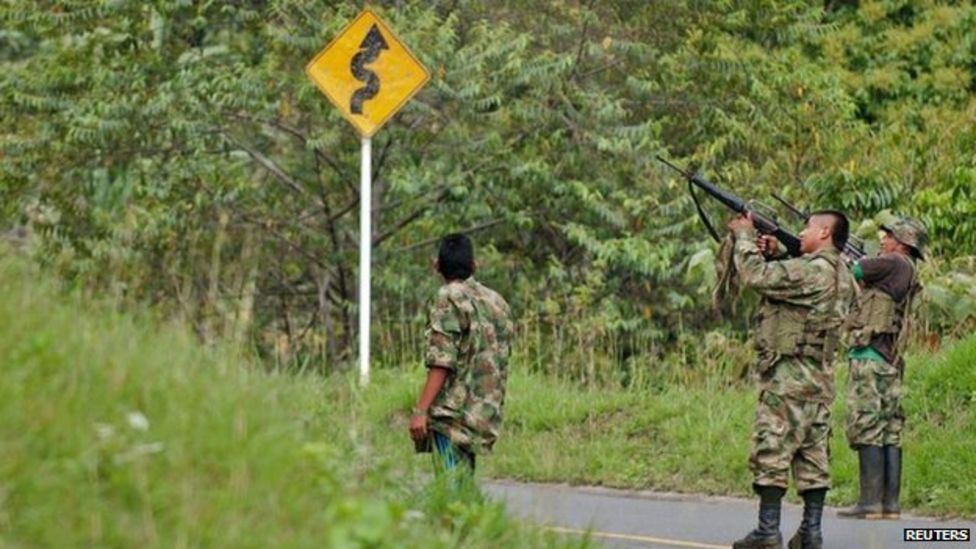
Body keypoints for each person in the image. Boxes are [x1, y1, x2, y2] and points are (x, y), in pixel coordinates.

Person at [727, 211, 857, 549]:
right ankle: (810, 532)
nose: (801, 232)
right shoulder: (844, 275)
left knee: (772, 450)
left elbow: (756, 276)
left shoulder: (811, 270)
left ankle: (767, 530)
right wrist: (781, 253)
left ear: (825, 232)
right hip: (821, 381)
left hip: (788, 379)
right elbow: (800, 285)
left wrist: (744, 235)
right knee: (814, 457)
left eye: (808, 227)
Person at [839, 215, 926, 520]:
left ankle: (869, 502)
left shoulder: (893, 262)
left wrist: (839, 252)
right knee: (890, 430)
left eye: (888, 236)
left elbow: (855, 270)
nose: (883, 240)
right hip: (890, 360)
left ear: (902, 242)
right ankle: (889, 505)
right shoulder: (909, 268)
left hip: (871, 355)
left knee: (867, 424)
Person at [408, 233, 513, 479]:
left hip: (451, 414)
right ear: (474, 266)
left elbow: (442, 361)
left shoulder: (447, 297)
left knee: (450, 492)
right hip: (484, 411)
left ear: (437, 266)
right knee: (464, 487)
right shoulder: (497, 301)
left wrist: (421, 410)